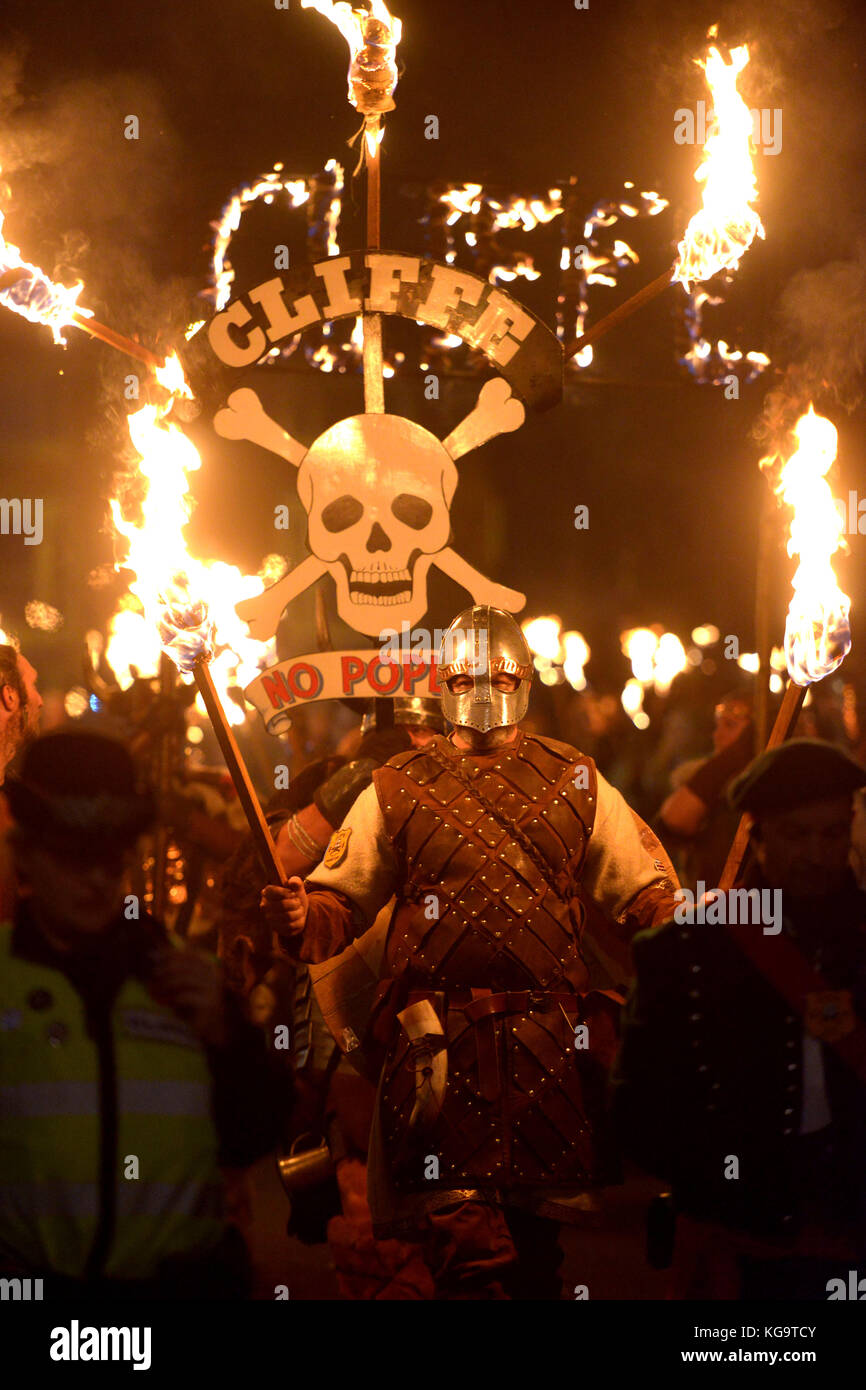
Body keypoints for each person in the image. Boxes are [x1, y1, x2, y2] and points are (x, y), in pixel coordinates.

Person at [262, 605, 680, 1299]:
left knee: (538, 1262)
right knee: (470, 1260)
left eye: (499, 674)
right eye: (466, 677)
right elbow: (342, 906)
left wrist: (681, 916)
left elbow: (639, 888)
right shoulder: (396, 785)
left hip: (549, 1052)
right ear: (444, 683)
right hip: (438, 1056)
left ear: (526, 679)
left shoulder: (575, 778)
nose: (484, 691)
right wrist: (307, 911)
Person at [0, 729, 287, 1297]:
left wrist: (228, 1041)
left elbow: (254, 1137)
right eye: (73, 853)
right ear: (28, 852)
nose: (98, 876)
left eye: (112, 852)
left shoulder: (183, 979)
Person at [614, 738, 866, 1299]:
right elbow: (639, 1108)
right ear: (760, 837)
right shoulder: (688, 951)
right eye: (797, 834)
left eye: (832, 832)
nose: (818, 853)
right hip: (736, 1241)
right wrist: (717, 1184)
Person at [656, 690, 753, 890]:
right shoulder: (706, 776)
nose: (717, 735)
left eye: (730, 726)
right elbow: (672, 821)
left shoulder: (756, 787)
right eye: (718, 726)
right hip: (707, 905)